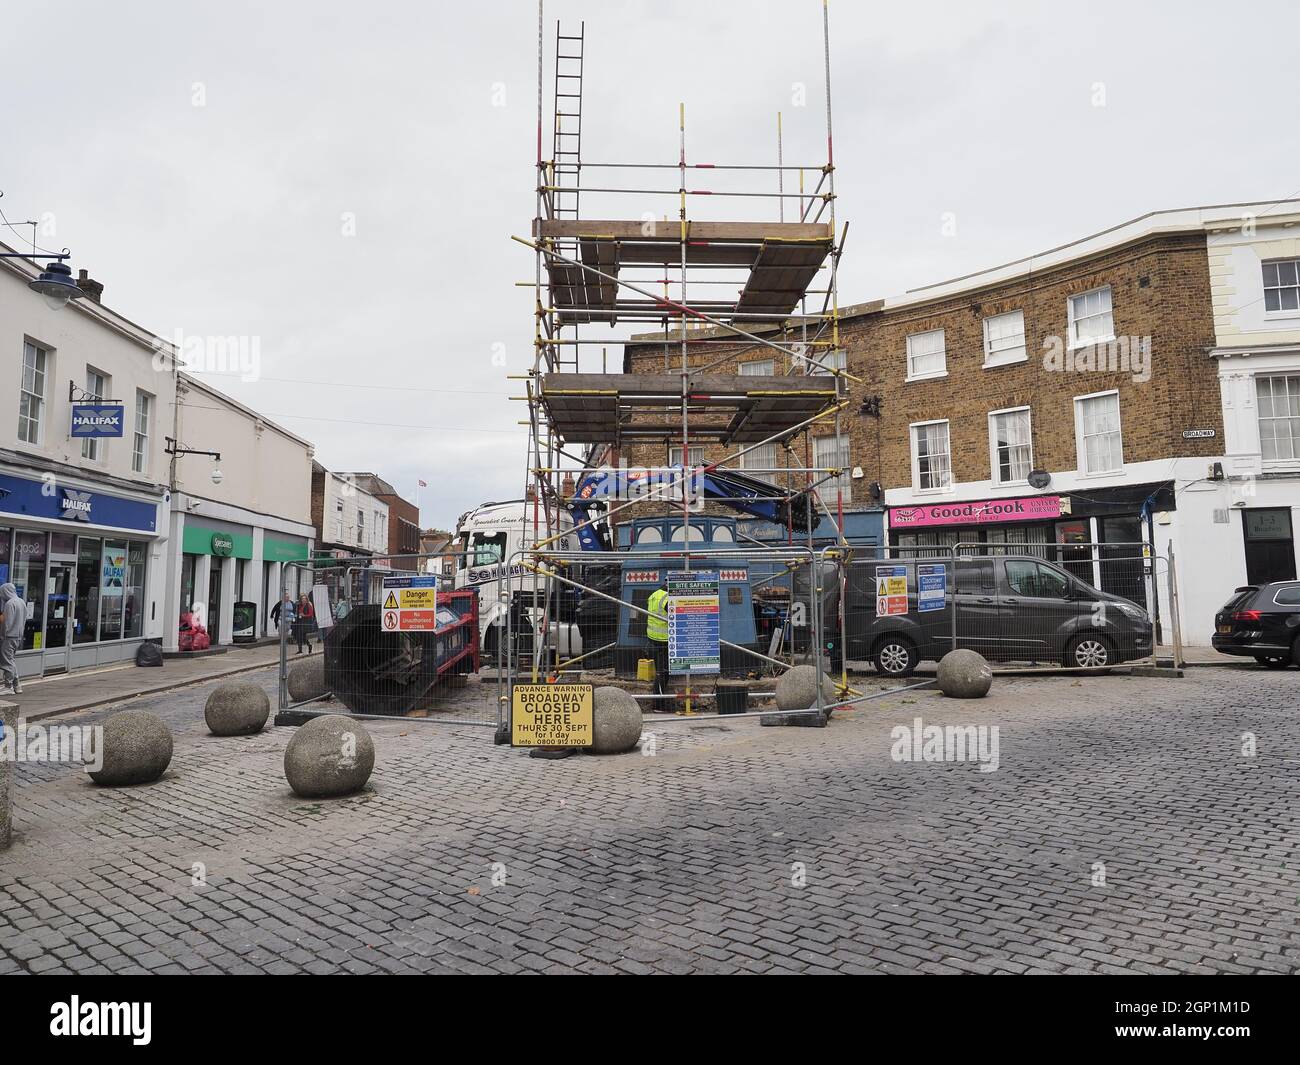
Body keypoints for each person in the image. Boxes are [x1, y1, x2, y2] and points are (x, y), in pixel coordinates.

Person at [646, 580, 672, 712]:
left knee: (661, 672)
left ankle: (659, 703)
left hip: (653, 637)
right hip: (663, 640)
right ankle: (658, 705)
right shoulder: (667, 598)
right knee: (663, 673)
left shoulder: (654, 595)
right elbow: (675, 616)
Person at [0, 583, 24, 695]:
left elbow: (6, 623)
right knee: (11, 660)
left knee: (7, 661)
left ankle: (8, 686)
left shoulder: (9, 604)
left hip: (9, 636)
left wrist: (2, 635)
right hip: (18, 636)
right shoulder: (21, 602)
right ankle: (17, 684)